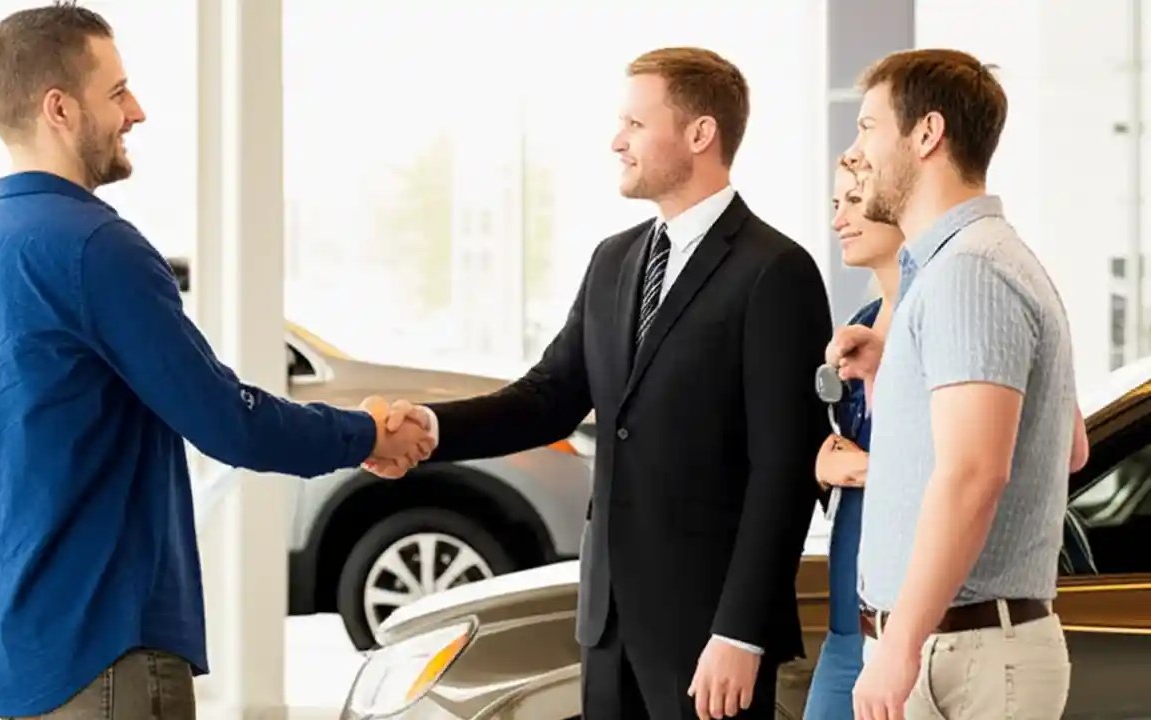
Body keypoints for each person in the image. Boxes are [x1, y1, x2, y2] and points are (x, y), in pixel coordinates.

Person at [0, 5, 432, 719]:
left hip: (13, 668)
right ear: (59, 108)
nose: (137, 112)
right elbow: (228, 422)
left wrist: (27, 569)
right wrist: (365, 434)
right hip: (110, 657)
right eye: (117, 92)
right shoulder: (97, 248)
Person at [367, 47, 832, 719]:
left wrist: (741, 632)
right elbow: (547, 398)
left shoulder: (776, 272)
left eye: (635, 124)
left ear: (700, 133)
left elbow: (783, 472)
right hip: (608, 627)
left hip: (710, 634)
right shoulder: (614, 260)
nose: (617, 141)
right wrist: (430, 429)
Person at [827, 49, 1077, 719]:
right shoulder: (972, 263)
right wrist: (892, 374)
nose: (856, 153)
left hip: (959, 656)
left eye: (868, 128)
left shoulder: (970, 272)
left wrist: (900, 646)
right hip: (957, 652)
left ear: (927, 134)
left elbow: (974, 473)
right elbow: (1067, 445)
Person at [802, 156, 905, 720]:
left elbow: (967, 460)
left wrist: (864, 468)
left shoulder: (934, 316)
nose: (838, 219)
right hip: (849, 620)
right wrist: (821, 462)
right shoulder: (862, 319)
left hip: (908, 622)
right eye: (835, 204)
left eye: (855, 202)